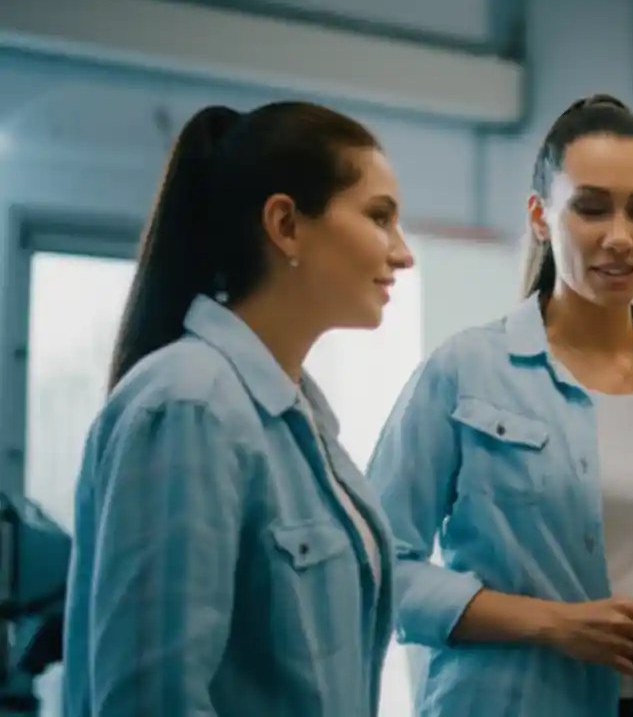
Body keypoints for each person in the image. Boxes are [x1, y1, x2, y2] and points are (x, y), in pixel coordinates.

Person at [367, 94, 633, 717]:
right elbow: (375, 571)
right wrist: (550, 624)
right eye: (591, 209)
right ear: (540, 216)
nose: (621, 237)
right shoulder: (467, 372)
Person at [62, 102, 414, 717]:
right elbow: (151, 702)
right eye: (379, 217)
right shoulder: (190, 405)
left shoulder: (296, 413)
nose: (402, 252)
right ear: (285, 225)